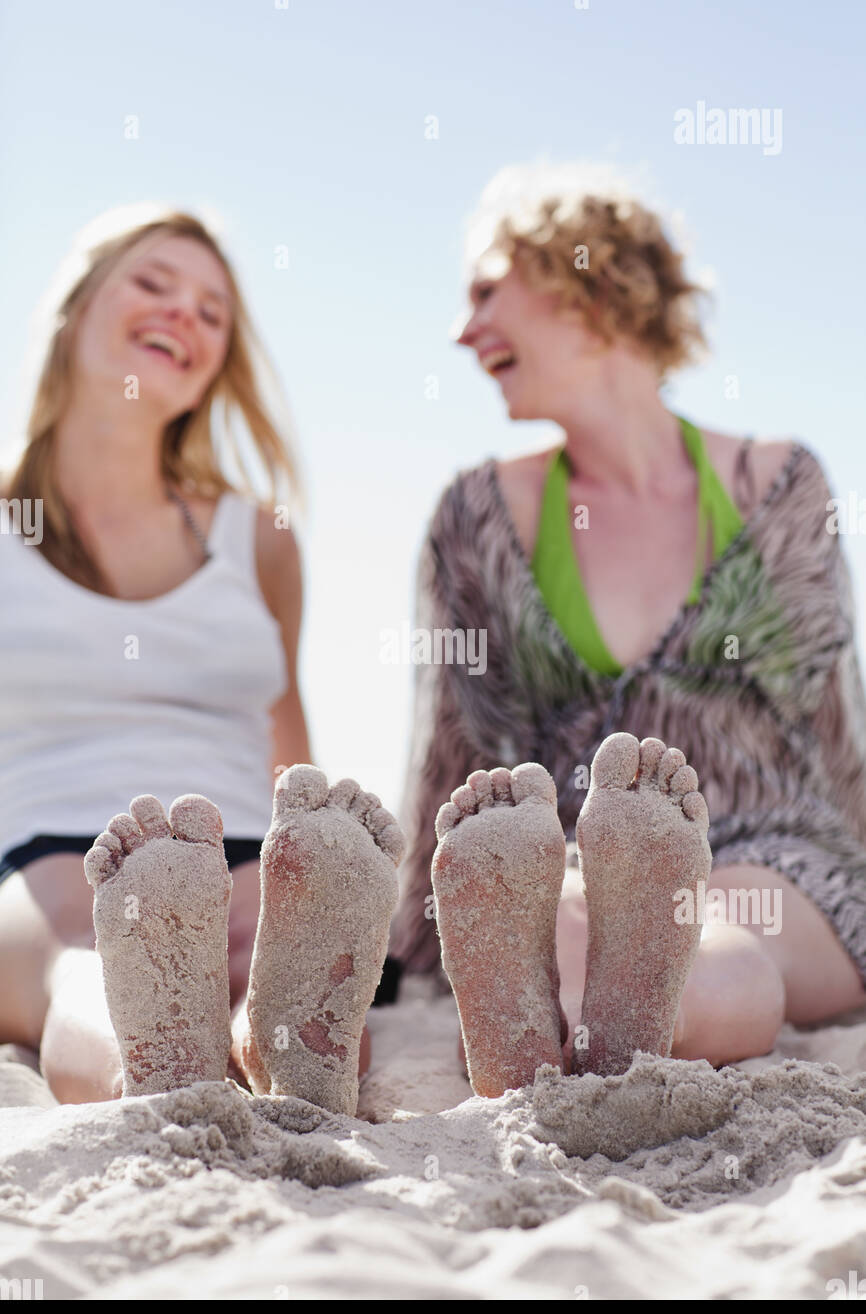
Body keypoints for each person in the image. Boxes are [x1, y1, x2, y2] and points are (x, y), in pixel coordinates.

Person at [388, 165, 866, 1097]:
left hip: (777, 850)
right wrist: (407, 955)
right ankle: (588, 1000)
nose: (463, 329)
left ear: (587, 277)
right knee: (565, 909)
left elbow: (837, 720)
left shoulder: (777, 487)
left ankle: (627, 1003)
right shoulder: (478, 514)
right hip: (564, 850)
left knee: (721, 933)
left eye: (487, 291)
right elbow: (446, 751)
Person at [0, 207, 402, 1111]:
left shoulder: (256, 535)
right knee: (83, 954)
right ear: (75, 309)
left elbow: (283, 727)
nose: (183, 312)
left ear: (216, 368)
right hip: (43, 849)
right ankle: (157, 1060)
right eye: (153, 285)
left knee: (294, 948)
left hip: (235, 846)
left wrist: (316, 840)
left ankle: (279, 1033)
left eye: (212, 311)